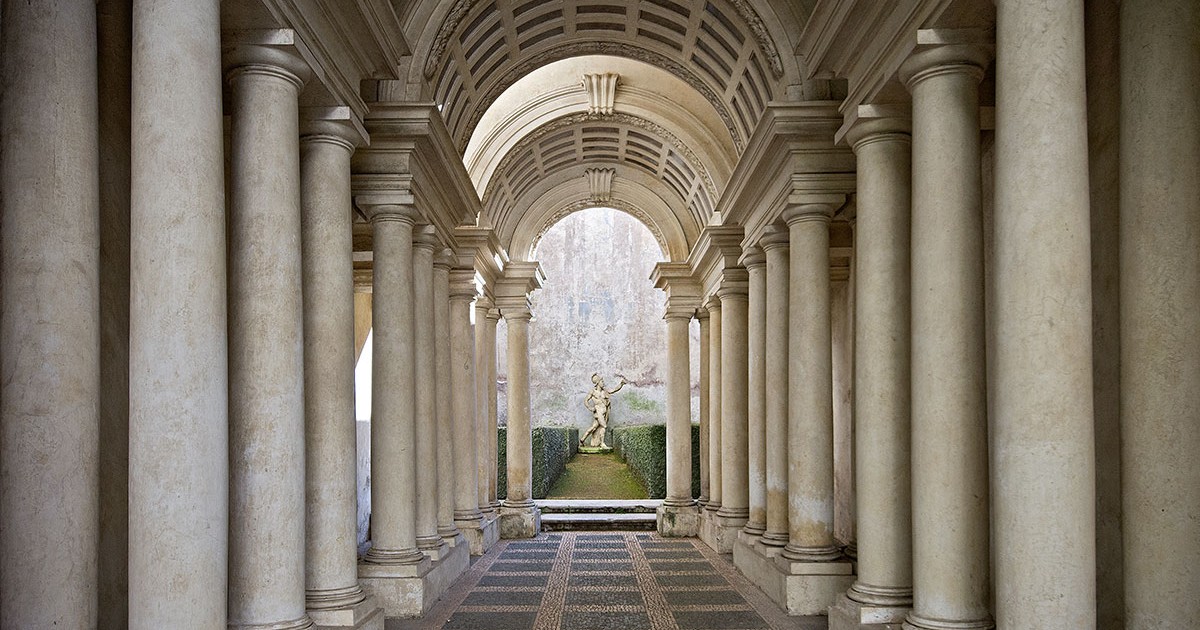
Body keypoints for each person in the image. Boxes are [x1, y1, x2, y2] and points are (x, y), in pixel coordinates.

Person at [580, 372, 626, 448]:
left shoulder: (605, 391)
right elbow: (586, 400)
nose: (603, 383)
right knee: (604, 426)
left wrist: (621, 384)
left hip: (603, 413)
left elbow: (614, 390)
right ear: (598, 383)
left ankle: (582, 439)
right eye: (602, 381)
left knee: (594, 427)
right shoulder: (593, 392)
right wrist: (590, 408)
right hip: (599, 412)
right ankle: (602, 443)